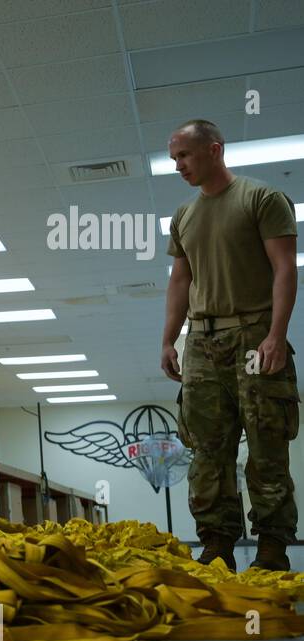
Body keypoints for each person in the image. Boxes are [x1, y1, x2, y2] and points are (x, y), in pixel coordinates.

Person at [161, 119, 299, 571]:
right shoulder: (183, 215)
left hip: (253, 335)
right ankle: (217, 545)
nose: (178, 165)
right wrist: (169, 339)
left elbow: (284, 269)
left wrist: (276, 335)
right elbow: (180, 280)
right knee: (207, 450)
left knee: (265, 442)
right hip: (202, 340)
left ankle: (272, 548)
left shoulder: (261, 198)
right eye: (174, 157)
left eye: (184, 155)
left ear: (214, 150)